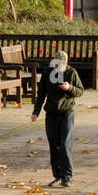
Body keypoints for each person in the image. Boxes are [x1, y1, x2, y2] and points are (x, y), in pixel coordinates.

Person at [30, 49, 84, 187]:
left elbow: (80, 91)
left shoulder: (71, 73)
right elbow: (41, 93)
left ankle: (67, 176)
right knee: (54, 145)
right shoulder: (48, 73)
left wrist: (70, 87)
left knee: (65, 145)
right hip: (51, 113)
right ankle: (58, 176)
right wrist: (36, 112)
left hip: (66, 112)